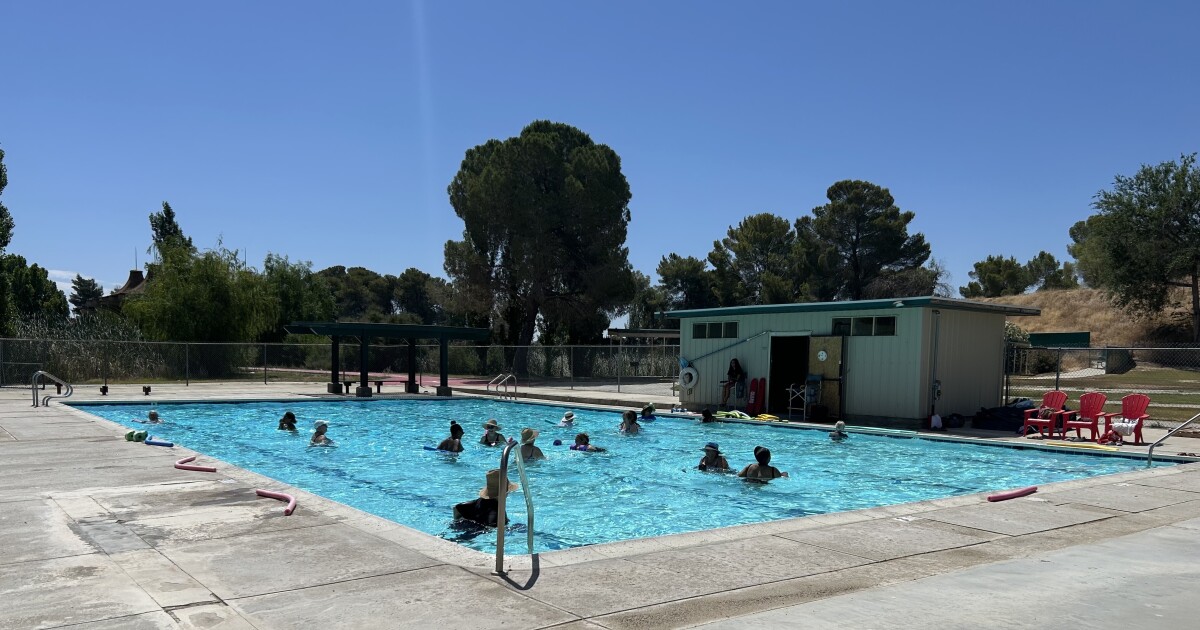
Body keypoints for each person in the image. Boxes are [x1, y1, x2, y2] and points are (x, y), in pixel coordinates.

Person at [452, 469, 518, 528]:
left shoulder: (479, 501)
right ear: (505, 492)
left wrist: (457, 522)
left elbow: (456, 508)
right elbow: (493, 528)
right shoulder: (498, 511)